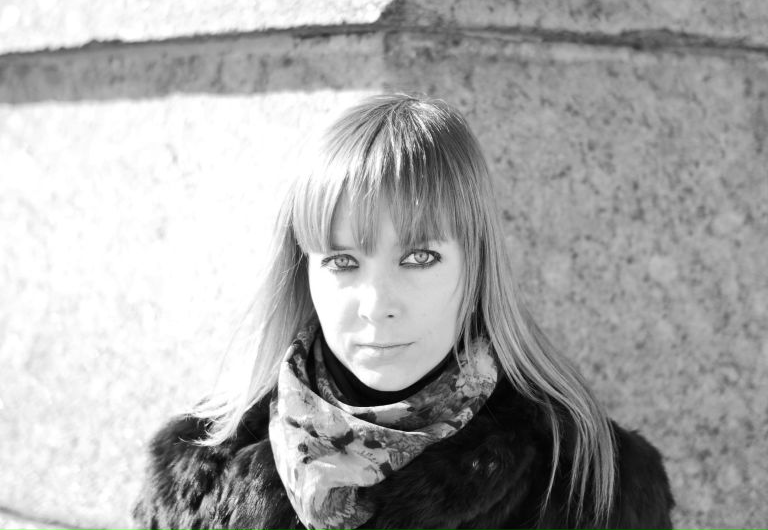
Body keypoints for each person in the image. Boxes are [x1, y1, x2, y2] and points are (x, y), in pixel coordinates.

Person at [132, 93, 674, 529]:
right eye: (343, 262)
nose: (377, 306)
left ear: (476, 265)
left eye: (418, 258)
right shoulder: (199, 474)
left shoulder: (589, 482)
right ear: (304, 272)